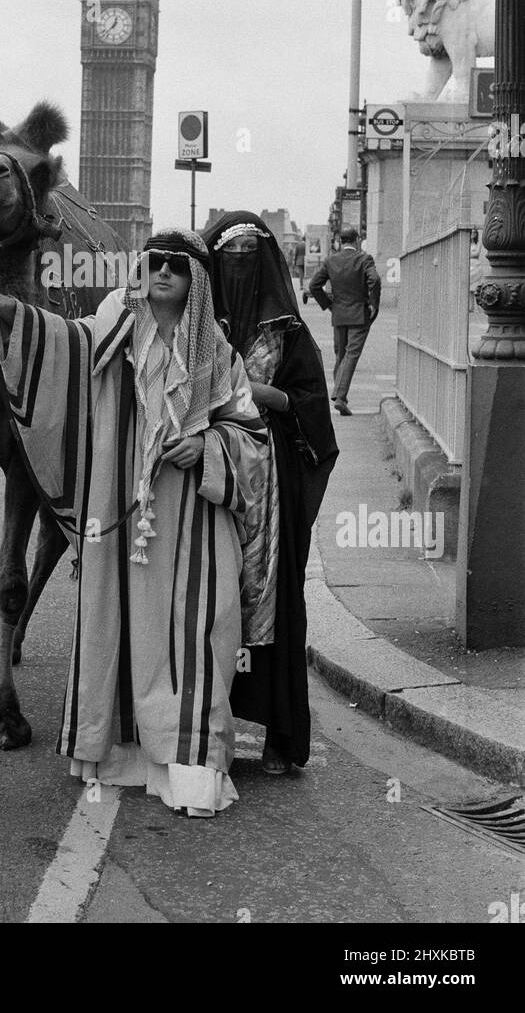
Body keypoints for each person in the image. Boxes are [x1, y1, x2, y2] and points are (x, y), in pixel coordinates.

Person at [0, 229, 268, 817]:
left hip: (195, 522)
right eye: (154, 262)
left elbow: (253, 437)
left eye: (177, 267)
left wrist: (209, 448)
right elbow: (61, 352)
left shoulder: (218, 354)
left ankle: (187, 761)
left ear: (198, 281)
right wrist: (11, 313)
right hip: (118, 510)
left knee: (199, 632)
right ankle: (122, 754)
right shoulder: (111, 325)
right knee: (118, 626)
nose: (162, 273)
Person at [202, 211, 338, 774]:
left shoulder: (288, 332)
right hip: (203, 479)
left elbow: (311, 409)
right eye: (226, 259)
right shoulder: (194, 325)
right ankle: (195, 730)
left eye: (248, 258)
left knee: (272, 605)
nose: (238, 268)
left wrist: (256, 391)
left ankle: (280, 735)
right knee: (202, 598)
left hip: (268, 490)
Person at [308, 226, 380, 416]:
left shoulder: (331, 260)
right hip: (359, 314)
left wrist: (329, 305)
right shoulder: (364, 259)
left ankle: (340, 397)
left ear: (340, 241)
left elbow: (314, 285)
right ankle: (339, 396)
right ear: (357, 240)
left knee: (341, 355)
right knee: (351, 355)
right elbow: (375, 280)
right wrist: (373, 304)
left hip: (338, 314)